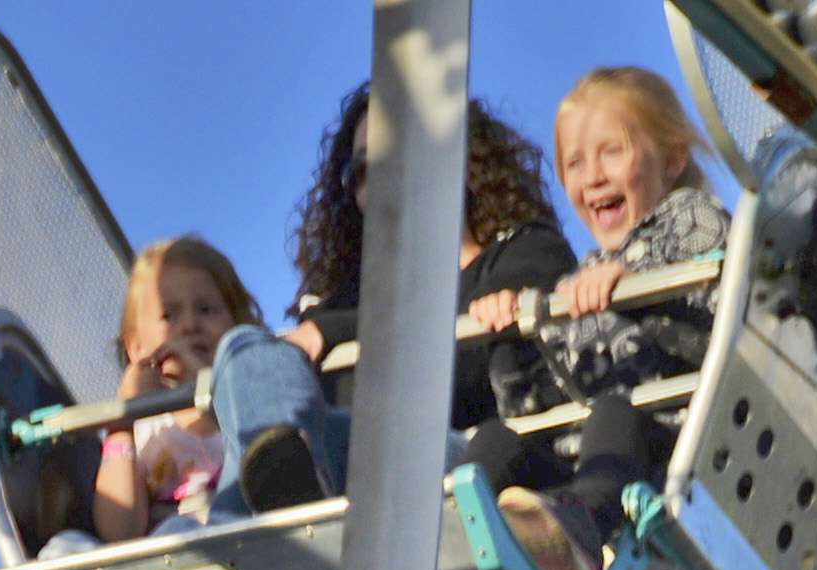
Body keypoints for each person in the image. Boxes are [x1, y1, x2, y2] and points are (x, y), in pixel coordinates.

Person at [208, 83, 564, 517]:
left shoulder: (524, 254)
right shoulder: (340, 303)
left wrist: (334, 332)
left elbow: (464, 366)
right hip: (353, 474)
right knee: (244, 351)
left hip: (470, 461)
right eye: (362, 170)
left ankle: (248, 555)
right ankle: (264, 537)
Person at [470, 64, 735, 570]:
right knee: (497, 438)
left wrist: (632, 275)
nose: (592, 176)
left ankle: (583, 528)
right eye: (574, 163)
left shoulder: (689, 217)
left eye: (611, 151)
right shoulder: (580, 276)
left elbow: (706, 259)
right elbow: (535, 401)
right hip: (578, 460)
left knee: (616, 411)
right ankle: (453, 539)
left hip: (664, 441)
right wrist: (511, 337)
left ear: (672, 158)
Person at [87, 235, 260, 545]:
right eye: (169, 315)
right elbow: (119, 532)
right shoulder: (143, 433)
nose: (190, 325)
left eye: (207, 309)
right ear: (137, 347)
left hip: (243, 544)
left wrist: (207, 388)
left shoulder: (251, 397)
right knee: (67, 544)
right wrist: (121, 422)